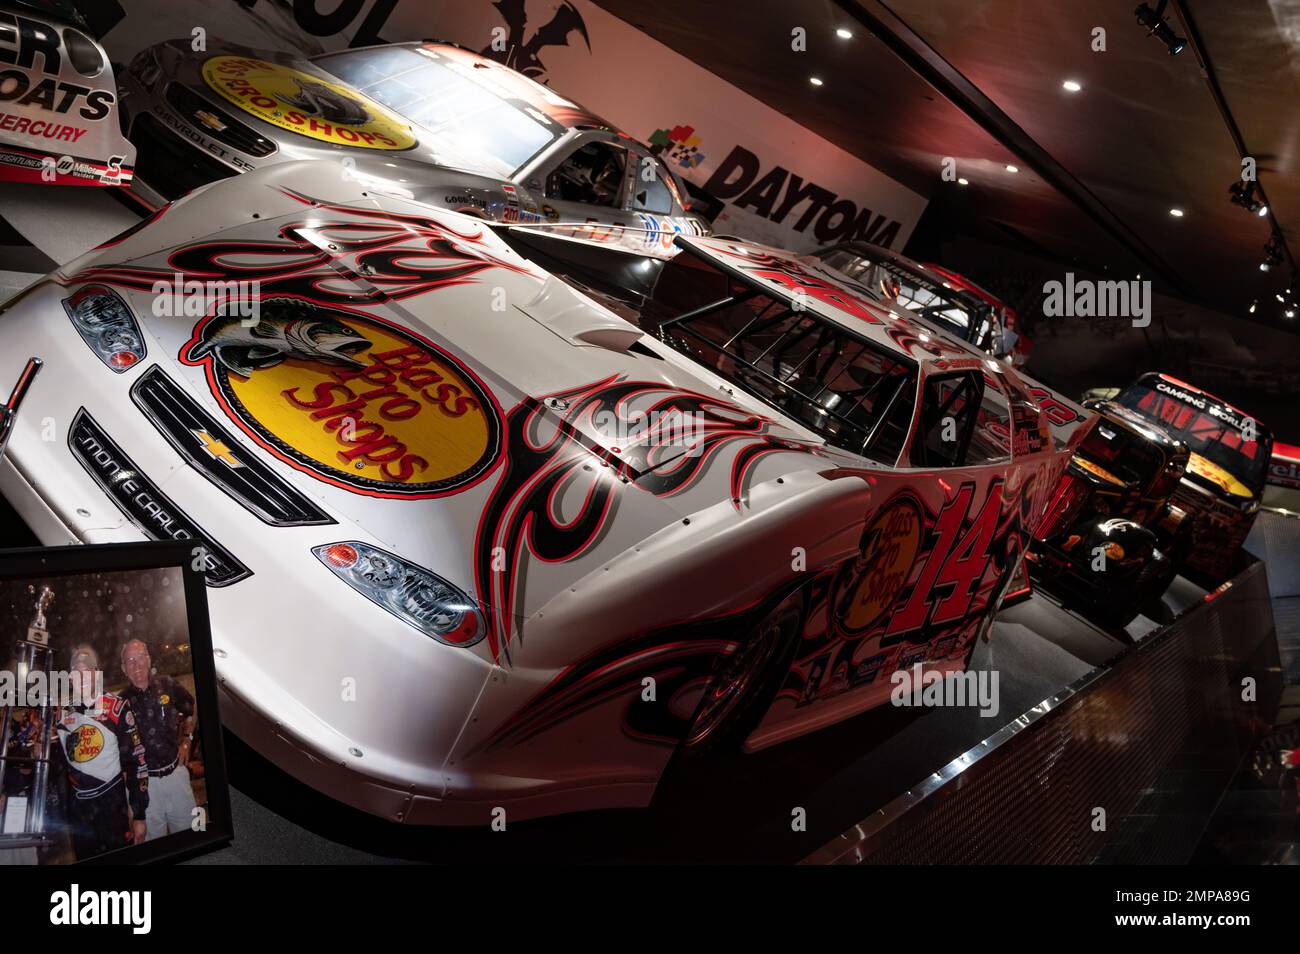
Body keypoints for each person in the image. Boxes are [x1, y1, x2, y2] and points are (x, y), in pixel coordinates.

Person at [53, 645, 149, 859]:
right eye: (76, 671)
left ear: (97, 674)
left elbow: (137, 762)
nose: (82, 675)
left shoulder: (117, 708)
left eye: (87, 670)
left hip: (112, 808)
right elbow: (61, 766)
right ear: (70, 677)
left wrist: (139, 814)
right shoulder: (61, 716)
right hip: (80, 815)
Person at [118, 639, 196, 839]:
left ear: (149, 659)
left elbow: (191, 709)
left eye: (141, 656)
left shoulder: (168, 684)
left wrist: (187, 739)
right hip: (145, 789)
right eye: (130, 660)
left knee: (191, 836)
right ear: (124, 669)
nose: (137, 664)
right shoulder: (119, 703)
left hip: (176, 776)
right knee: (154, 845)